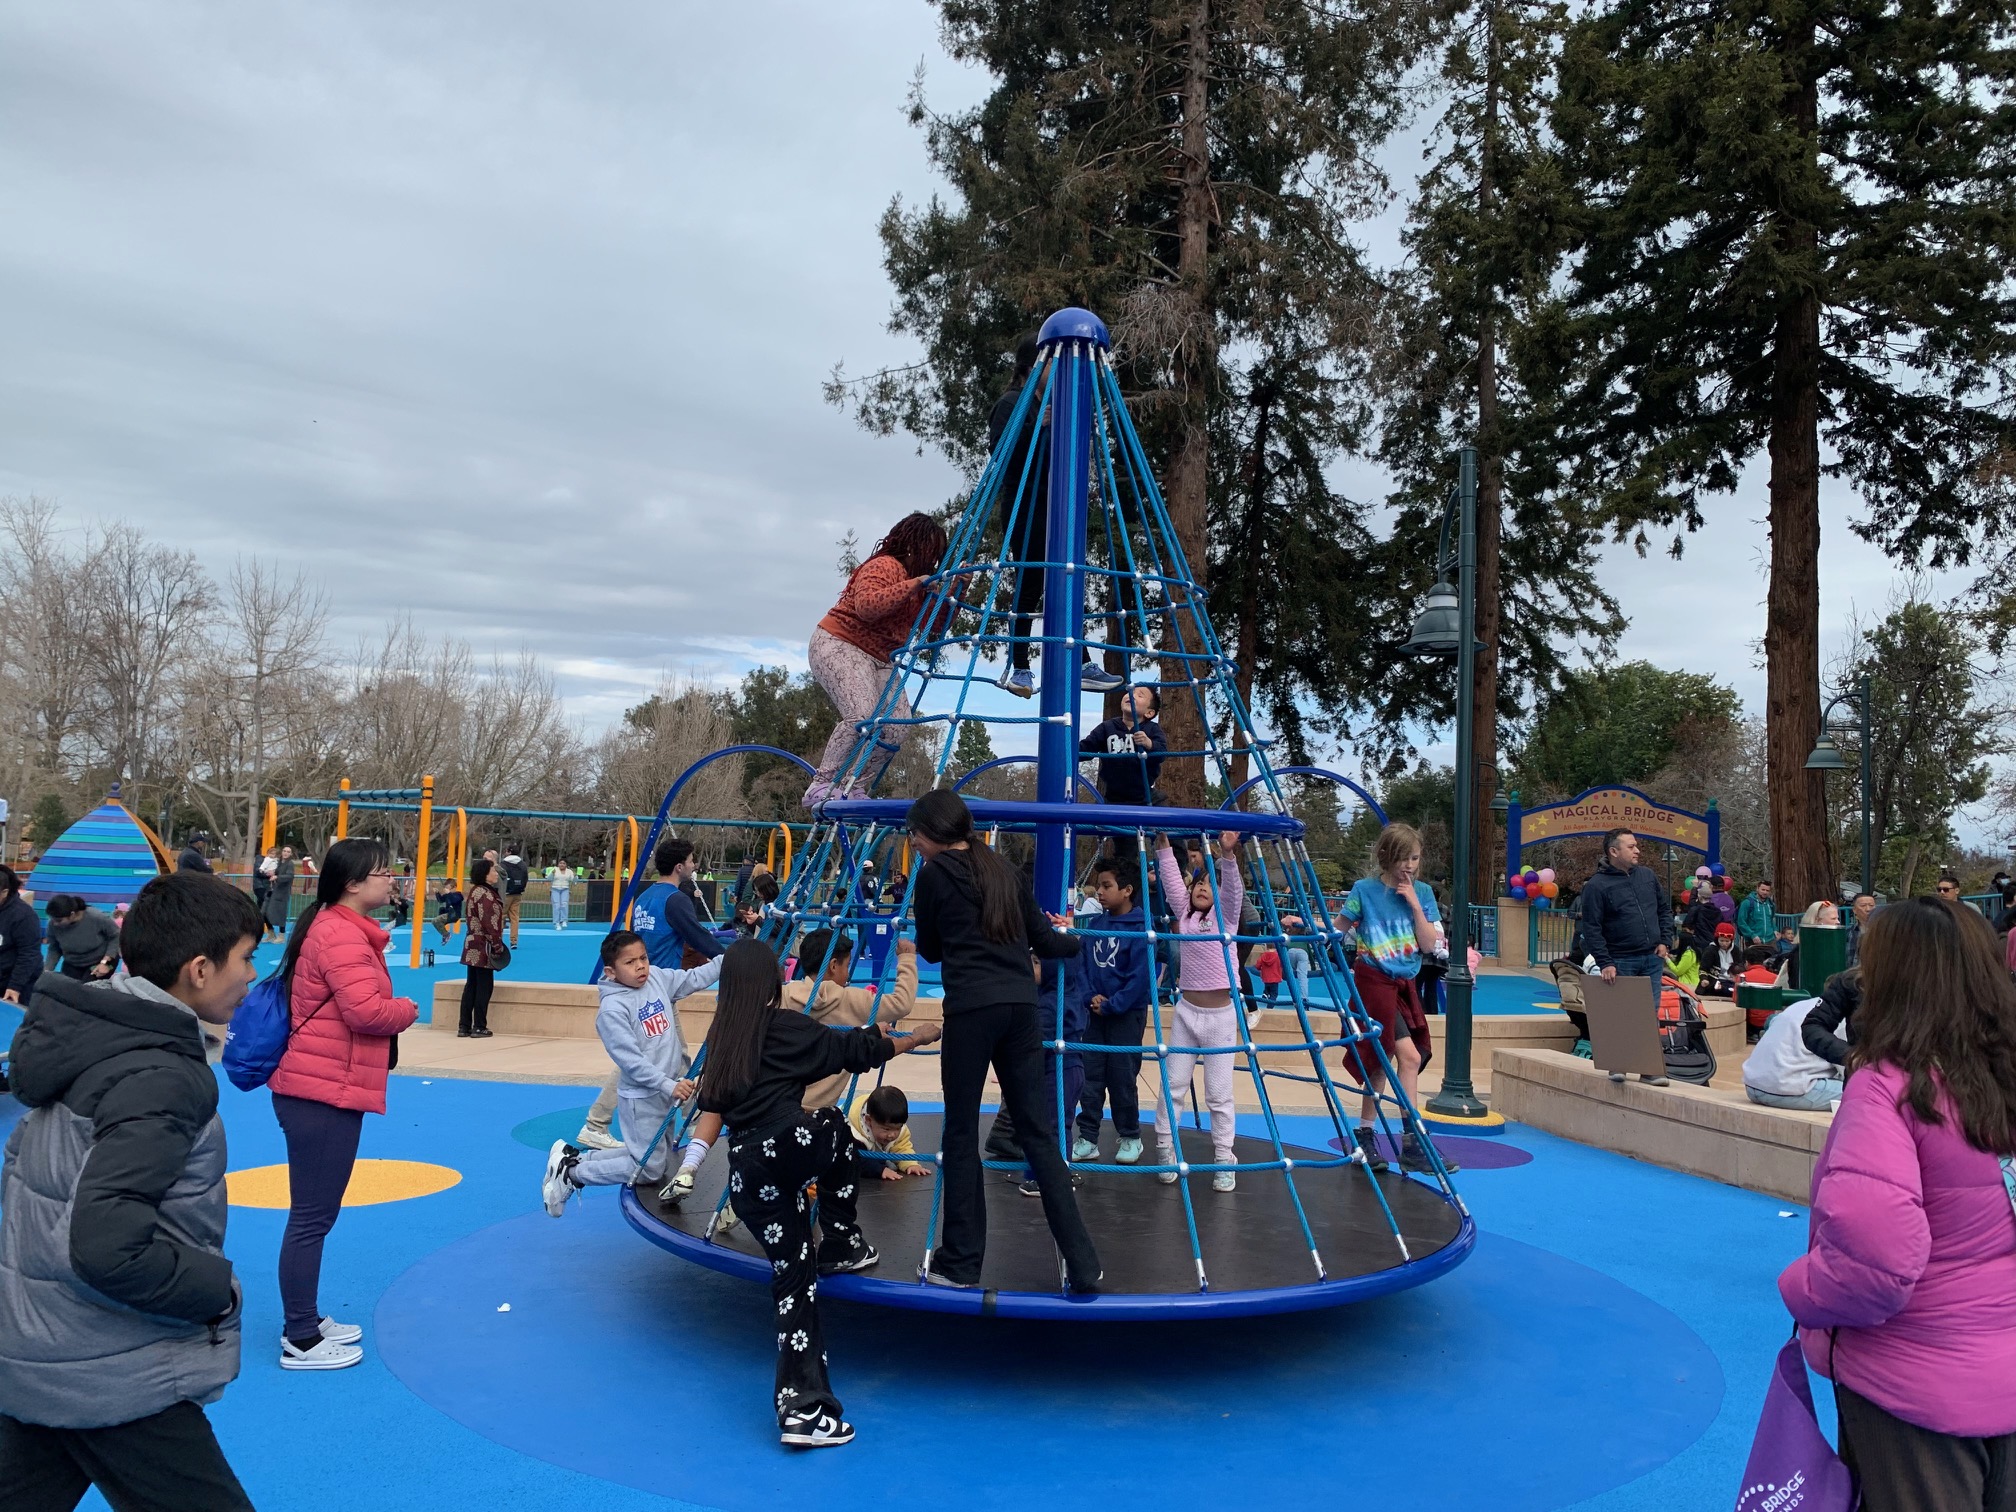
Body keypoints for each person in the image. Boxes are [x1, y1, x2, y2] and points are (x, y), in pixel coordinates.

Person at [0, 871, 262, 1511]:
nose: (252, 975)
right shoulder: (158, 1076)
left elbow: (26, 1175)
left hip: (41, 1342)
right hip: (110, 1362)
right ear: (200, 969)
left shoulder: (94, 1037)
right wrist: (215, 1292)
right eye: (245, 958)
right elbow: (106, 1247)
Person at [1778, 897, 2016, 1510]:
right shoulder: (2001, 1078)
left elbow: (1874, 1259)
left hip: (1916, 1387)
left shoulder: (1888, 1090)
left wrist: (1801, 1288)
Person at [692, 939, 941, 1447]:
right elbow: (853, 1051)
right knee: (834, 1126)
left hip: (748, 1177)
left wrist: (694, 1161)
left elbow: (713, 1101)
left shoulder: (723, 1035)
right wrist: (914, 1037)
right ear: (771, 983)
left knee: (796, 1281)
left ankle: (802, 1409)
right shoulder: (781, 1027)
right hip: (788, 1146)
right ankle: (843, 1239)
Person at [907, 788, 1102, 1290]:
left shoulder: (933, 876)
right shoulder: (1003, 870)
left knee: (960, 1132)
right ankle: (1084, 1263)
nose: (914, 844)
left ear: (932, 833)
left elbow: (930, 949)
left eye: (915, 835)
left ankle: (960, 1263)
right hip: (1020, 1011)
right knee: (1037, 1133)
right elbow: (1046, 941)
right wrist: (1077, 939)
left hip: (972, 1011)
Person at [266, 839, 418, 1371]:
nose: (391, 879)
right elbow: (366, 1012)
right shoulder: (341, 935)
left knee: (316, 1213)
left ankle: (304, 1318)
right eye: (382, 873)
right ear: (352, 883)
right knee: (311, 1217)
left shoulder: (337, 927)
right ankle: (301, 1337)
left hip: (323, 1085)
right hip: (320, 1089)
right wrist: (406, 1009)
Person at [541, 931, 722, 1212]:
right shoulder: (612, 1010)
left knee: (657, 1156)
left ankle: (573, 1161)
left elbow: (693, 978)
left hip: (665, 1091)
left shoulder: (657, 978)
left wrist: (728, 960)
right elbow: (632, 1062)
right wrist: (668, 1085)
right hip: (642, 1097)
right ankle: (574, 1174)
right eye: (630, 962)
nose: (640, 966)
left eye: (643, 958)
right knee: (648, 1168)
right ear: (611, 972)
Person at [987, 334, 1124, 699]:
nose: (1059, 370)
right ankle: (1019, 667)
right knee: (1031, 582)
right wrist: (1039, 428)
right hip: (1025, 503)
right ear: (1033, 366)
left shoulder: (1049, 404)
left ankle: (1081, 663)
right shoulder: (1012, 403)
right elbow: (1001, 453)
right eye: (1053, 363)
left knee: (1067, 580)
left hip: (1055, 505)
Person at [803, 512, 959, 807]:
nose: (933, 560)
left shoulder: (921, 586)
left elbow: (935, 625)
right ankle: (821, 784)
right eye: (930, 551)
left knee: (897, 726)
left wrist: (954, 592)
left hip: (881, 658)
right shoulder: (885, 565)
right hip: (841, 643)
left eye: (937, 554)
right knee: (861, 715)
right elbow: (867, 606)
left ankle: (854, 785)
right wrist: (913, 584)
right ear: (912, 546)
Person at [1338, 823, 1462, 1174]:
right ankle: (1412, 1141)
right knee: (1406, 1056)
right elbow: (1339, 928)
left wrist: (1415, 905)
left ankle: (1367, 1134)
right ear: (1386, 857)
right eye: (1403, 858)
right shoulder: (1365, 890)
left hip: (1403, 984)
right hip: (1373, 982)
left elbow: (1428, 944)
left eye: (1415, 858)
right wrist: (1304, 929)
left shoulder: (1422, 892)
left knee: (1385, 1059)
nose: (1409, 865)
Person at [1145, 829, 1249, 1190]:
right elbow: (1174, 884)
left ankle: (1224, 1156)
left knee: (1218, 1093)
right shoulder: (1186, 918)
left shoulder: (1226, 920)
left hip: (1220, 1018)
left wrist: (1228, 856)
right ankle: (1165, 1148)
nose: (1202, 888)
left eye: (1209, 885)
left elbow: (1232, 893)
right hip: (1187, 1013)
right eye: (1199, 884)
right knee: (1172, 1085)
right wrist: (1163, 849)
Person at [1072, 858, 1151, 1165]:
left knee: (1122, 1078)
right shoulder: (1095, 925)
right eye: (1099, 885)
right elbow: (1083, 966)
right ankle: (1088, 1137)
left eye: (1107, 886)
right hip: (1094, 1014)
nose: (1100, 892)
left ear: (1127, 890)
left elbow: (1139, 978)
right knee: (1090, 1078)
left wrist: (1113, 1004)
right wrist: (1090, 997)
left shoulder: (1141, 929)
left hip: (1125, 1016)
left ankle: (1130, 1136)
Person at [788, 927, 919, 1110]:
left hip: (778, 1102)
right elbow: (901, 1003)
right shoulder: (850, 1000)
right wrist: (906, 958)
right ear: (833, 965)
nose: (848, 973)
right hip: (816, 1110)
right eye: (847, 966)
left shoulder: (785, 995)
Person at [1579, 828, 1673, 981]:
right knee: (1624, 999)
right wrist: (1605, 962)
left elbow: (1663, 910)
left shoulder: (1648, 875)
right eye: (1631, 847)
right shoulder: (1596, 886)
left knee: (1651, 999)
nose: (1637, 851)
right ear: (1614, 852)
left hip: (1653, 957)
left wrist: (1665, 941)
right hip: (1620, 961)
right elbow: (1591, 927)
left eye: (1636, 846)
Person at [1079, 686, 1167, 849]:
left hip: (1145, 796)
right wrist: (1065, 750)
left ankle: (1180, 864)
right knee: (1125, 846)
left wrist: (1149, 743)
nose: (1132, 695)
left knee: (1169, 829)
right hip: (1115, 799)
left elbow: (1161, 753)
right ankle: (1126, 865)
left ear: (1149, 713)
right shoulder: (1107, 727)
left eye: (1140, 695)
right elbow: (1086, 748)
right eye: (1130, 692)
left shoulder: (1151, 729)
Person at [633, 839, 722, 971]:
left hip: (643, 975)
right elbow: (698, 937)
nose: (693, 866)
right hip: (666, 977)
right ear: (679, 867)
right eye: (691, 861)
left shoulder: (642, 898)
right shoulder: (676, 899)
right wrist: (730, 958)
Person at [457, 858, 505, 1038]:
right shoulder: (486, 894)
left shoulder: (475, 891)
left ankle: (464, 1026)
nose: (496, 874)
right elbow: (490, 923)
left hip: (472, 943)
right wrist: (497, 945)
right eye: (493, 871)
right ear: (485, 874)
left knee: (472, 984)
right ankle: (479, 1025)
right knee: (484, 985)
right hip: (483, 945)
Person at [850, 1084, 930, 1179]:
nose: (892, 1135)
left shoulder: (894, 1125)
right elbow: (854, 1159)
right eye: (886, 1129)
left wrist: (910, 1164)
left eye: (898, 1128)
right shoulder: (853, 1133)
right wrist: (880, 1170)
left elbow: (901, 1148)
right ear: (868, 1120)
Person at [41, 896, 120, 981]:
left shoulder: (96, 917)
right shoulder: (52, 924)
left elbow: (116, 935)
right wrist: (46, 970)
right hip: (73, 962)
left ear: (72, 915)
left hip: (101, 960)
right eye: (52, 919)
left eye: (59, 920)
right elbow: (54, 948)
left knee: (88, 986)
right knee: (66, 986)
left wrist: (104, 962)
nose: (55, 923)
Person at [0, 865, 42, 1006]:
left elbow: (29, 954)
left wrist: (15, 986)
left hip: (18, 980)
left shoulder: (24, 916)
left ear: (4, 892)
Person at [498, 849, 530, 947]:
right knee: (514, 918)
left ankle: (498, 940)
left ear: (509, 852)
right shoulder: (522, 864)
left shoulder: (503, 864)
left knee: (501, 916)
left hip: (506, 893)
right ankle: (514, 941)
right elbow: (526, 877)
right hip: (518, 893)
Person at [1738, 879, 1776, 946]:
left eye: (1767, 890)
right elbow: (1741, 922)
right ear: (1757, 889)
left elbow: (1771, 919)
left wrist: (1775, 930)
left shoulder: (1771, 904)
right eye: (1763, 890)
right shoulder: (1747, 903)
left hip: (1770, 940)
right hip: (1754, 940)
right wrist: (1752, 935)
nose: (1765, 892)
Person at [1844, 890, 1876, 966]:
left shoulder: (1884, 932)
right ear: (1854, 910)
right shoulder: (1847, 933)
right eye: (1863, 905)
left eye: (1871, 905)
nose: (1868, 909)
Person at [254, 846, 277, 936]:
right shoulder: (261, 859)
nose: (273, 855)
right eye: (271, 853)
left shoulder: (273, 861)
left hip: (264, 887)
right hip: (260, 887)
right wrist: (268, 874)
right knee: (264, 908)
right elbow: (258, 872)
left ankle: (265, 930)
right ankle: (269, 930)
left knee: (260, 909)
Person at [549, 859, 576, 931]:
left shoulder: (569, 871)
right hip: (555, 889)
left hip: (565, 889)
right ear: (558, 864)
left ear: (566, 865)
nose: (562, 865)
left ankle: (564, 920)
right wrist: (552, 874)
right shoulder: (554, 869)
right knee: (556, 905)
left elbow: (573, 881)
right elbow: (549, 878)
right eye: (560, 863)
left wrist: (575, 876)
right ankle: (556, 923)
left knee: (564, 904)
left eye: (564, 863)